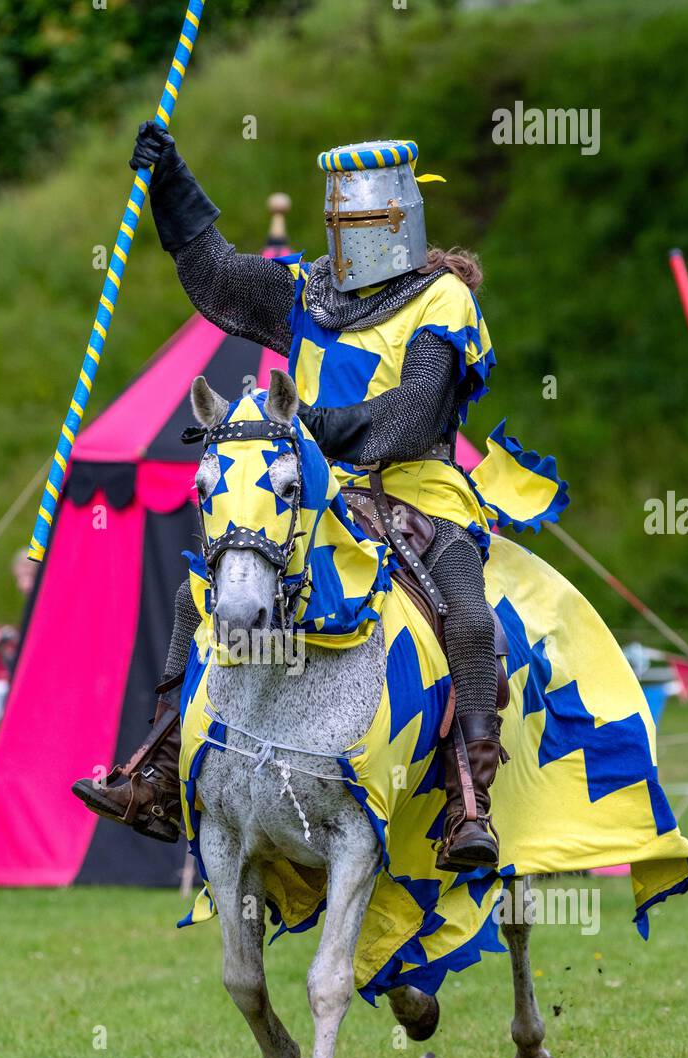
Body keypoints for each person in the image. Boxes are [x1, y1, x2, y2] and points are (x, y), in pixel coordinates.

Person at [73, 129, 503, 870]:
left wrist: (312, 427)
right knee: (201, 593)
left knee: (466, 614)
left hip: (418, 496)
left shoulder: (443, 299)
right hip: (317, 496)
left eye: (367, 225)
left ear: (401, 220)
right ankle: (159, 771)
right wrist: (170, 180)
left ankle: (470, 799)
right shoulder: (309, 292)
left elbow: (416, 408)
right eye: (343, 224)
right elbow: (215, 274)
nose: (353, 239)